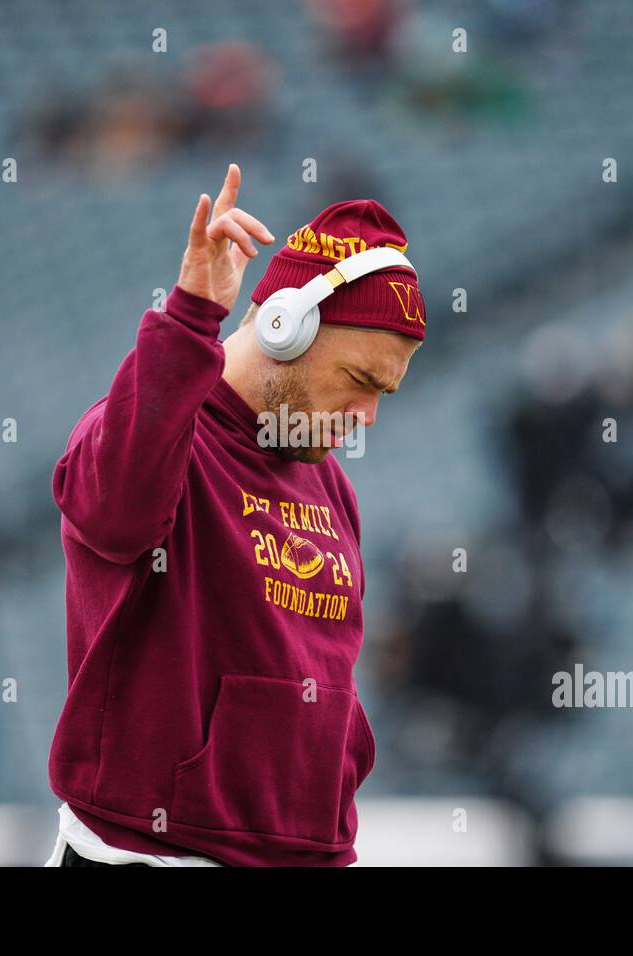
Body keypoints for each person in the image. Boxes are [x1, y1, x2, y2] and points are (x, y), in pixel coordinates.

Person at [45, 164, 425, 866]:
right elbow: (117, 513)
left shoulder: (330, 485)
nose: (367, 416)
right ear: (284, 328)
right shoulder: (159, 436)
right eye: (360, 381)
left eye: (385, 394)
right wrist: (188, 317)